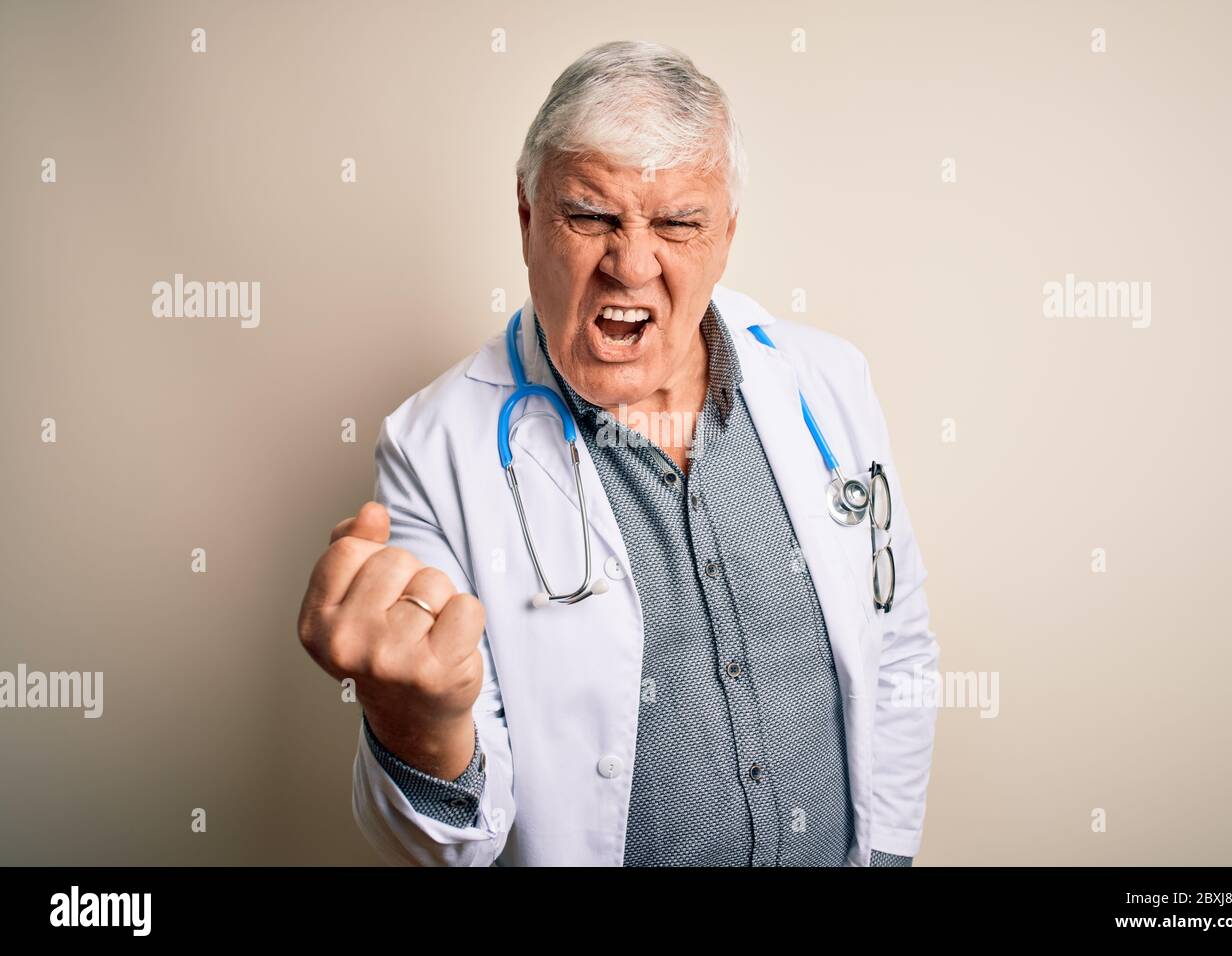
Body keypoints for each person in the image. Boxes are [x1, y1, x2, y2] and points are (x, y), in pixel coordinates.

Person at [297, 39, 939, 866]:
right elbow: (451, 845)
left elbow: (901, 648)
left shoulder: (828, 382)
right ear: (528, 218)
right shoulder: (434, 448)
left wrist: (886, 857)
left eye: (678, 223)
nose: (631, 264)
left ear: (727, 234)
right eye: (591, 215)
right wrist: (416, 724)